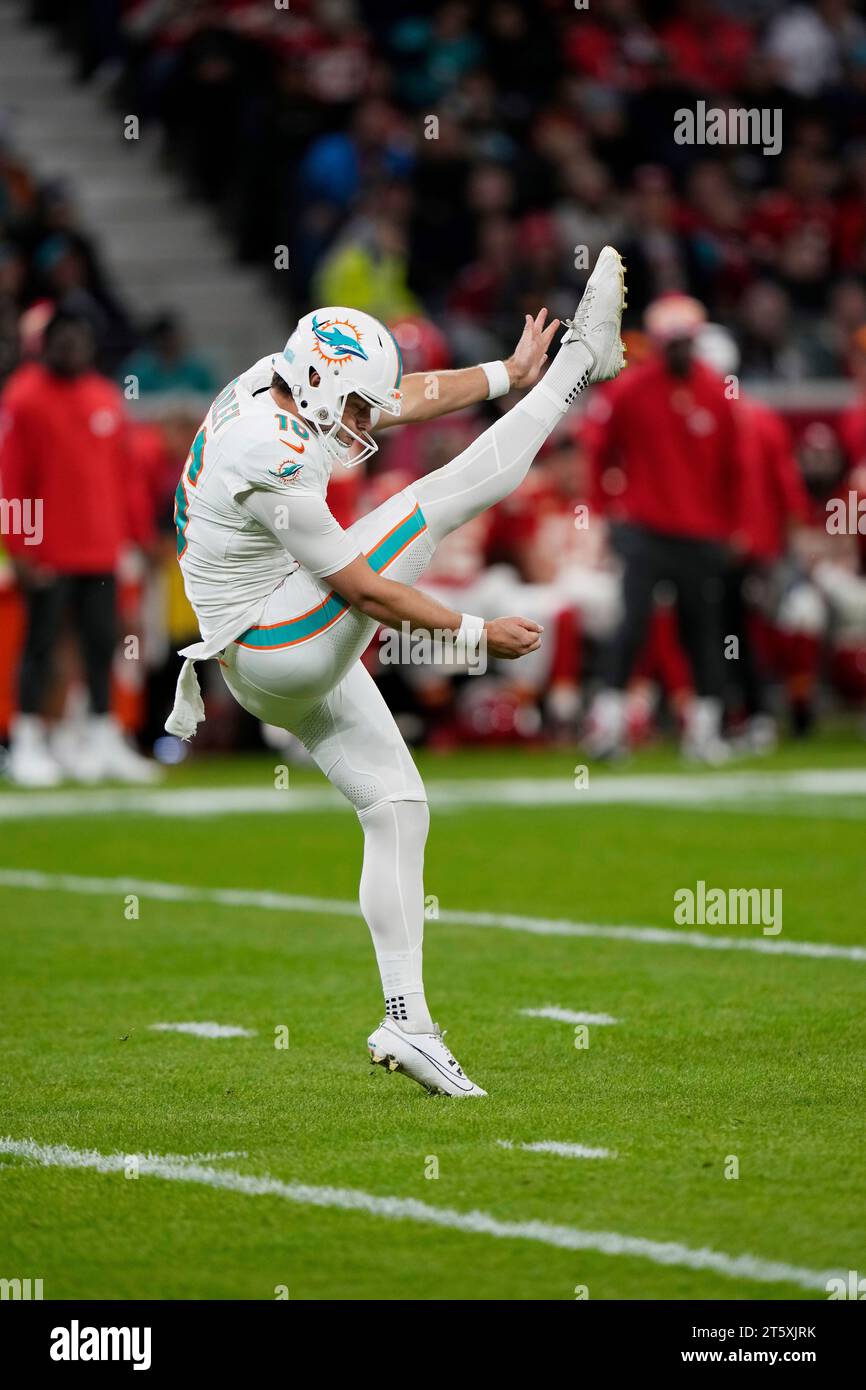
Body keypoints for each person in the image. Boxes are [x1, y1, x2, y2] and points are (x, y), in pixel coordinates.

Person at [166, 248, 626, 1097]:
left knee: (399, 806)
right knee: (439, 497)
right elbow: (365, 591)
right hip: (276, 642)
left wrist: (501, 372)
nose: (364, 423)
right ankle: (581, 366)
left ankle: (407, 1018)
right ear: (310, 387)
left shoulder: (286, 379)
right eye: (349, 405)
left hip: (263, 639)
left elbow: (399, 397)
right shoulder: (266, 451)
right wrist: (476, 632)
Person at [584, 292, 746, 763]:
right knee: (630, 626)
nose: (679, 350)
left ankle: (705, 731)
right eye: (671, 342)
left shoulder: (717, 392)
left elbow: (736, 467)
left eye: (686, 341)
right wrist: (604, 509)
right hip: (645, 528)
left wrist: (736, 527)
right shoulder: (629, 390)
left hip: (701, 533)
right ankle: (608, 726)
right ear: (657, 342)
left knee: (703, 631)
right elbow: (598, 449)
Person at [1, 310, 158, 786]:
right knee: (40, 646)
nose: (72, 350)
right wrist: (21, 547)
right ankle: (26, 739)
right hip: (49, 552)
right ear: (44, 345)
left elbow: (125, 476)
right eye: (63, 341)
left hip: (102, 549)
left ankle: (102, 736)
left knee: (101, 645)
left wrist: (139, 534)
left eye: (80, 341)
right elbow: (11, 477)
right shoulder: (23, 397)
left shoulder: (105, 396)